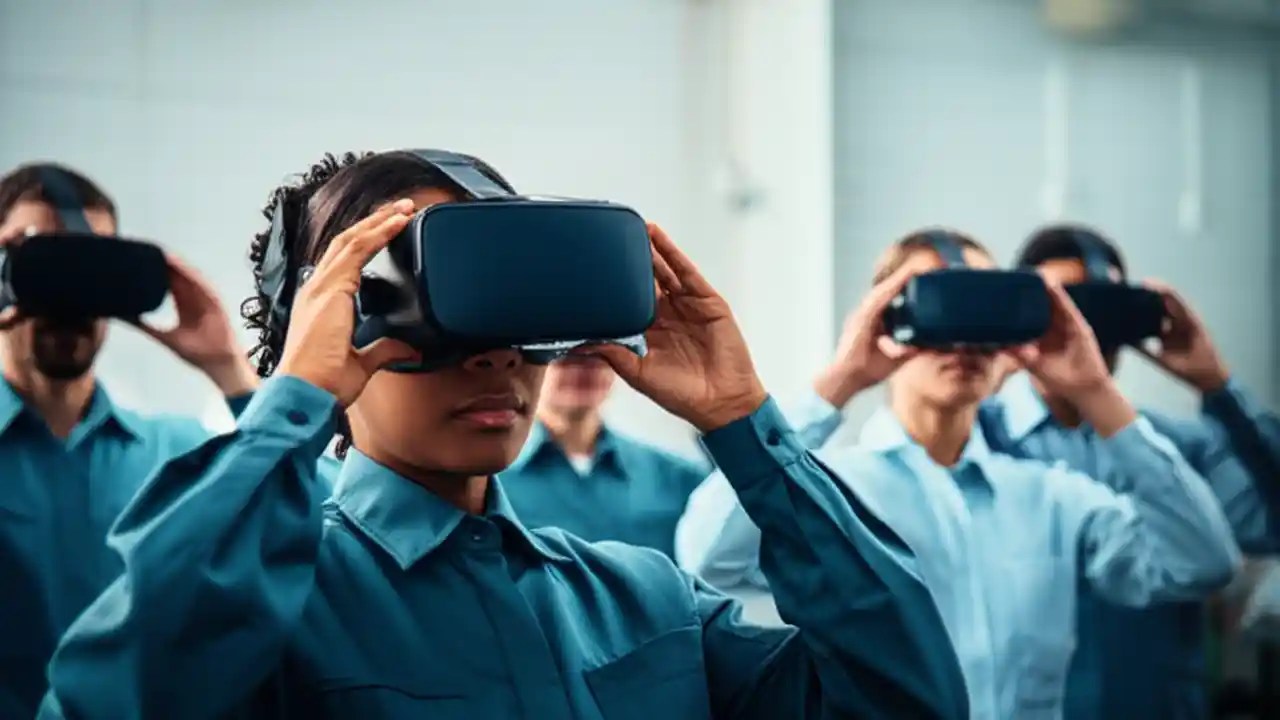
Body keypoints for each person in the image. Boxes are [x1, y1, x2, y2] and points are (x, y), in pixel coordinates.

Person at [36, 150, 970, 719]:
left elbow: (910, 697)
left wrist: (745, 425)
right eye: (425, 310)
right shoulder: (278, 609)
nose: (492, 354)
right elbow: (118, 697)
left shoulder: (646, 603)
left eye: (506, 305)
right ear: (328, 333)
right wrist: (294, 400)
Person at [676, 229, 1241, 719]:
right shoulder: (830, 492)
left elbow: (1201, 561)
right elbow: (707, 553)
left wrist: (1094, 389)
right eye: (940, 302)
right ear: (884, 318)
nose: (963, 339)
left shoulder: (1051, 498)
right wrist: (842, 379)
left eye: (984, 305)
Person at [984, 224, 1280, 720]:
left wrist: (1219, 387)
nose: (1080, 327)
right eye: (1057, 307)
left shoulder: (1178, 448)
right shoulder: (978, 440)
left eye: (1100, 307)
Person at [0, 163, 260, 718]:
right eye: (45, 263)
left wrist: (230, 370)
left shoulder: (178, 454)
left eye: (90, 266)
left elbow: (306, 514)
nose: (70, 297)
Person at [499, 354, 707, 557]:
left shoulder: (679, 477)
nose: (583, 370)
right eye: (565, 357)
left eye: (598, 358)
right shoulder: (494, 482)